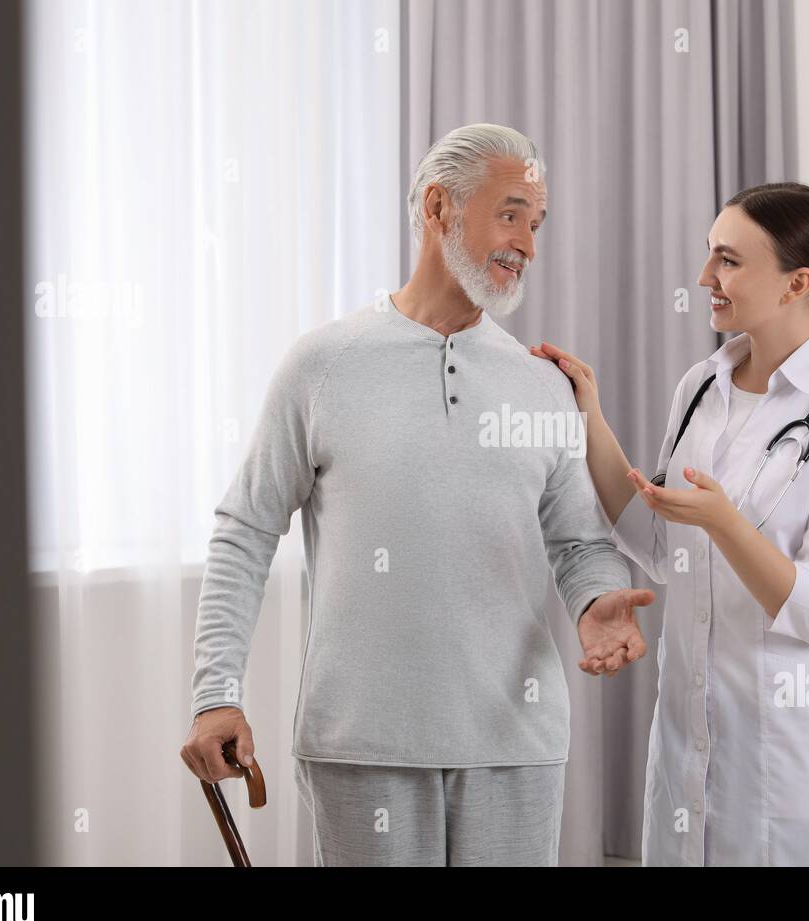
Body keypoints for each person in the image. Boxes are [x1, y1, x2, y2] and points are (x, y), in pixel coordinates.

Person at [181, 123, 653, 866]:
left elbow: (579, 541)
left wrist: (598, 602)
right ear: (438, 208)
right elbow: (244, 530)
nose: (526, 242)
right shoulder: (324, 366)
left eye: (537, 222)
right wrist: (216, 692)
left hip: (515, 747)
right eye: (509, 213)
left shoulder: (542, 385)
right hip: (362, 746)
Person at [533, 181, 809, 865]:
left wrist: (727, 525)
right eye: (710, 255)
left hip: (794, 756)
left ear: (796, 283)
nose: (706, 276)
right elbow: (656, 543)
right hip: (691, 739)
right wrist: (588, 413)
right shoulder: (701, 388)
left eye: (728, 260)